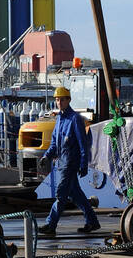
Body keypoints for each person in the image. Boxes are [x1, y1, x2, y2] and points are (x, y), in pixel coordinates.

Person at [38, 85, 100, 237]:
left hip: (71, 163)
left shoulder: (75, 119)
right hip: (62, 163)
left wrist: (83, 164)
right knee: (75, 194)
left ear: (68, 100)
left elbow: (83, 143)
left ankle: (51, 224)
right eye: (57, 100)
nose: (59, 102)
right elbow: (54, 142)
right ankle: (92, 222)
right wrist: (46, 156)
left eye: (61, 100)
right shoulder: (59, 118)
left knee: (61, 194)